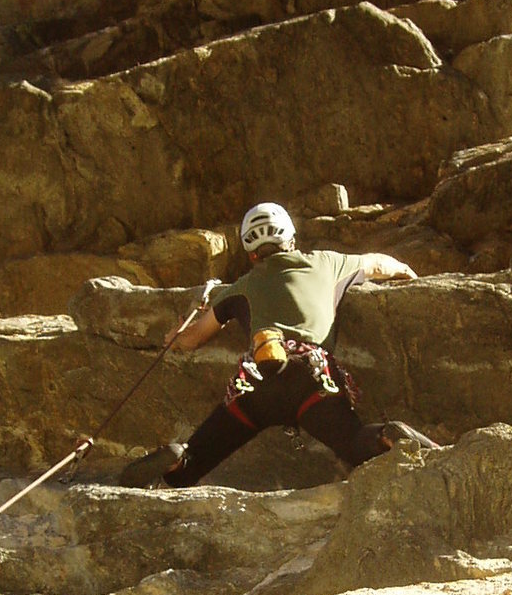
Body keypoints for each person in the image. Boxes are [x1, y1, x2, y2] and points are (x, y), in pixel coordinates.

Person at [121, 202, 438, 488]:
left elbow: (192, 338)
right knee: (356, 444)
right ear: (292, 239)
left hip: (259, 382)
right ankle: (386, 435)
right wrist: (410, 274)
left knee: (192, 465)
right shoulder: (328, 263)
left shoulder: (241, 287)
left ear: (251, 254)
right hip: (313, 382)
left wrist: (174, 336)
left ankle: (177, 458)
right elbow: (377, 264)